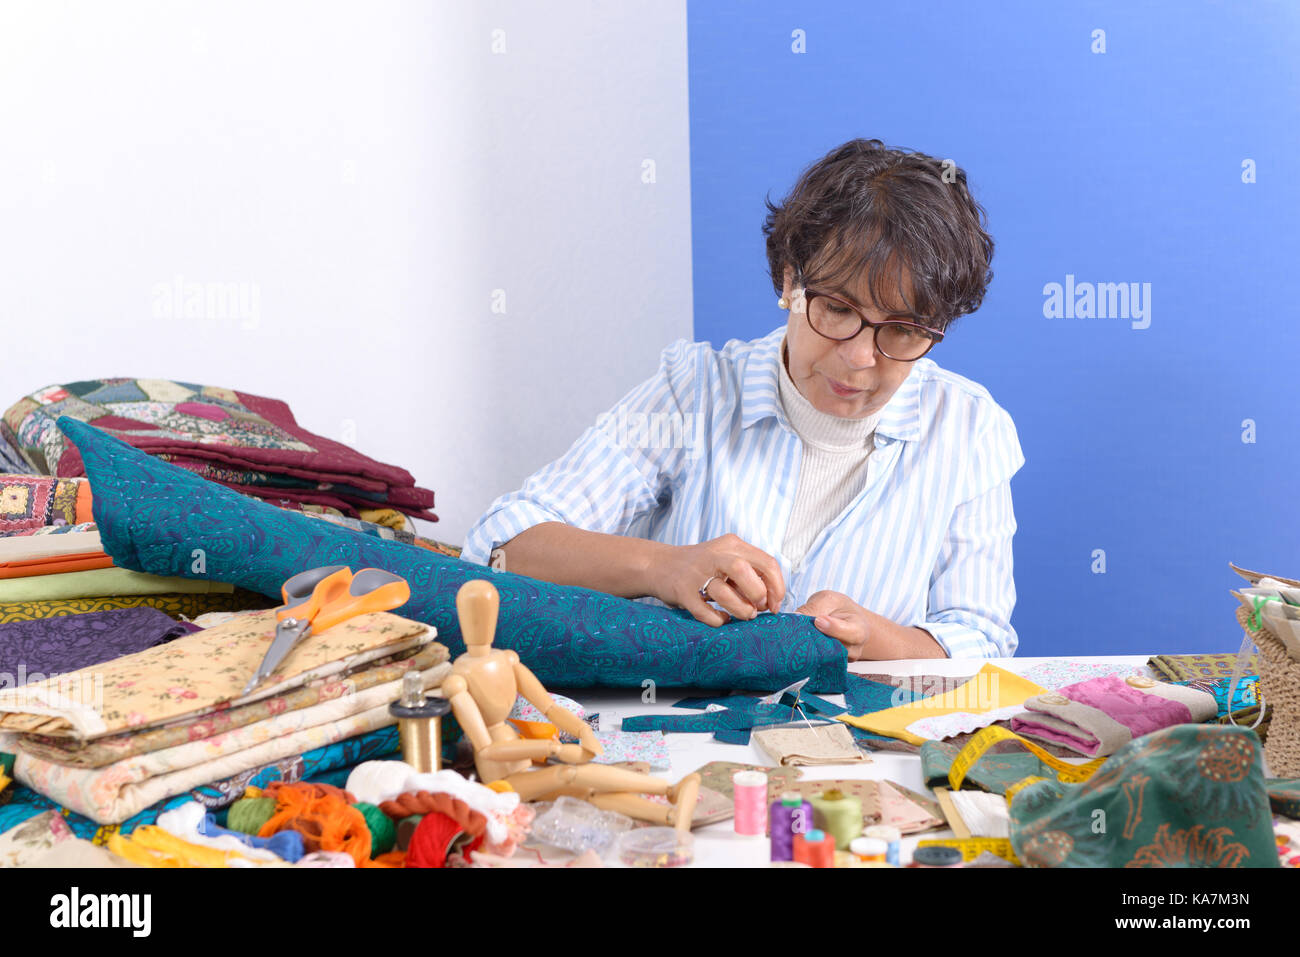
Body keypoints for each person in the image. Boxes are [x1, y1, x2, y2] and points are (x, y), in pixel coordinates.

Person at [462, 139, 1024, 661]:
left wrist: (876, 638)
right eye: (836, 308)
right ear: (789, 282)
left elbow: (978, 640)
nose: (859, 357)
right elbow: (501, 543)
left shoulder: (970, 430)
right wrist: (666, 567)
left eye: (902, 329)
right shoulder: (695, 391)